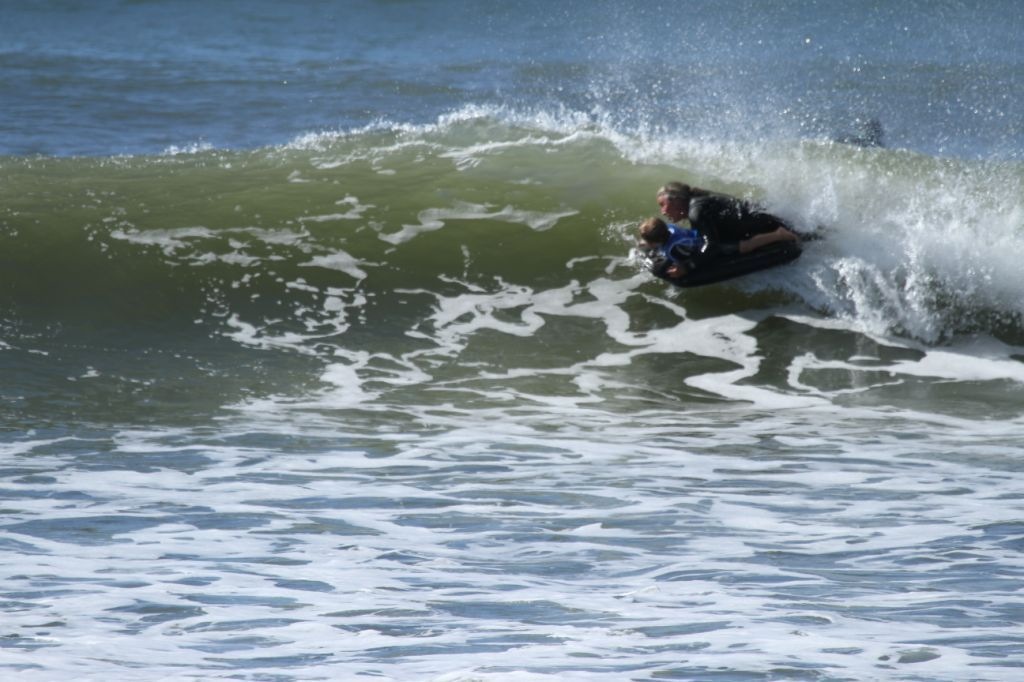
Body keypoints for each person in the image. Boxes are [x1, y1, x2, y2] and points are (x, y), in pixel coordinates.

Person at [639, 182, 799, 280]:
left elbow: (711, 247)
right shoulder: (695, 203)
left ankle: (780, 235)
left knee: (728, 248)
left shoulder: (696, 211)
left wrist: (688, 266)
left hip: (762, 226)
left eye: (663, 205)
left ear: (678, 201)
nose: (662, 211)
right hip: (755, 221)